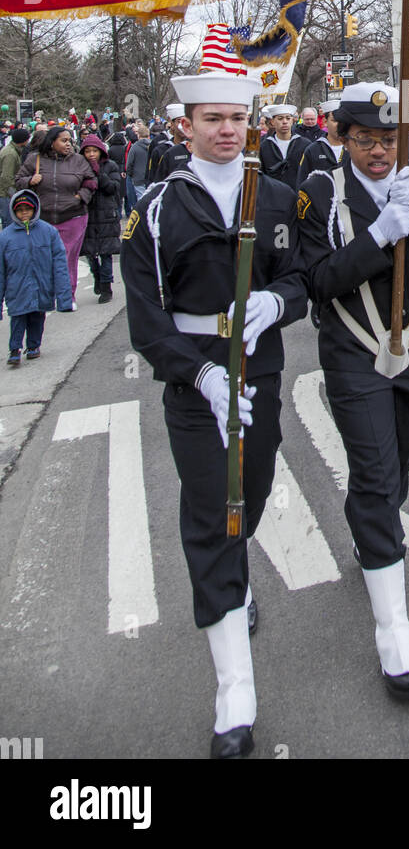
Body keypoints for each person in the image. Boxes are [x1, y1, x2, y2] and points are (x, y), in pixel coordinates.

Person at [120, 71, 307, 758]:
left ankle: (235, 568)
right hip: (195, 383)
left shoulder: (280, 198)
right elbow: (145, 319)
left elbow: (301, 278)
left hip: (259, 370)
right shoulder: (157, 208)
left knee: (249, 495)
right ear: (186, 126)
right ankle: (235, 688)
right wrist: (198, 374)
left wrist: (277, 303)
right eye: (213, 118)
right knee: (212, 512)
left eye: (236, 117)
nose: (227, 129)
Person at [297, 82, 409, 699]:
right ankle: (394, 632)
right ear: (343, 137)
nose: (379, 152)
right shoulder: (320, 193)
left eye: (389, 139)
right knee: (372, 473)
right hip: (353, 351)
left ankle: (372, 536)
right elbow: (320, 282)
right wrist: (377, 235)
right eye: (366, 139)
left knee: (397, 465)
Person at [15, 126, 97, 307]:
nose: (68, 144)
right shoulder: (35, 159)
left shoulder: (78, 161)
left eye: (70, 140)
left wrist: (81, 196)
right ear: (52, 142)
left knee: (67, 257)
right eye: (64, 140)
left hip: (73, 216)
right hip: (43, 219)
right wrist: (30, 181)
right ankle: (46, 295)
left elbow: (91, 181)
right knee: (44, 258)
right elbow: (18, 180)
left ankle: (67, 296)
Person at [0, 189, 74, 364]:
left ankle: (34, 346)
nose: (24, 213)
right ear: (14, 211)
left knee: (37, 317)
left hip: (41, 286)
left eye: (27, 209)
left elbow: (60, 266)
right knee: (18, 318)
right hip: (16, 289)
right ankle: (15, 348)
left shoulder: (48, 232)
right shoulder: (5, 237)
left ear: (35, 209)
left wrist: (65, 299)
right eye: (20, 210)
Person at [80, 135, 123, 302]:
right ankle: (97, 277)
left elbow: (113, 187)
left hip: (106, 213)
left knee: (106, 252)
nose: (91, 154)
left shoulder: (110, 166)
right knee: (90, 252)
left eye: (94, 151)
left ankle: (106, 286)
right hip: (88, 213)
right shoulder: (81, 167)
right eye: (88, 151)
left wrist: (100, 174)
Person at [259, 103, 305, 188]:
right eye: (280, 119)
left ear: (292, 120)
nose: (284, 122)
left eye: (288, 118)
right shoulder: (264, 146)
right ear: (272, 122)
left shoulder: (304, 144)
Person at [0, 128, 32, 228]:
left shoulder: (13, 151)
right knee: (9, 222)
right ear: (24, 140)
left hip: (6, 192)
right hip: (5, 193)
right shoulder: (10, 154)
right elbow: (6, 177)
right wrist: (12, 194)